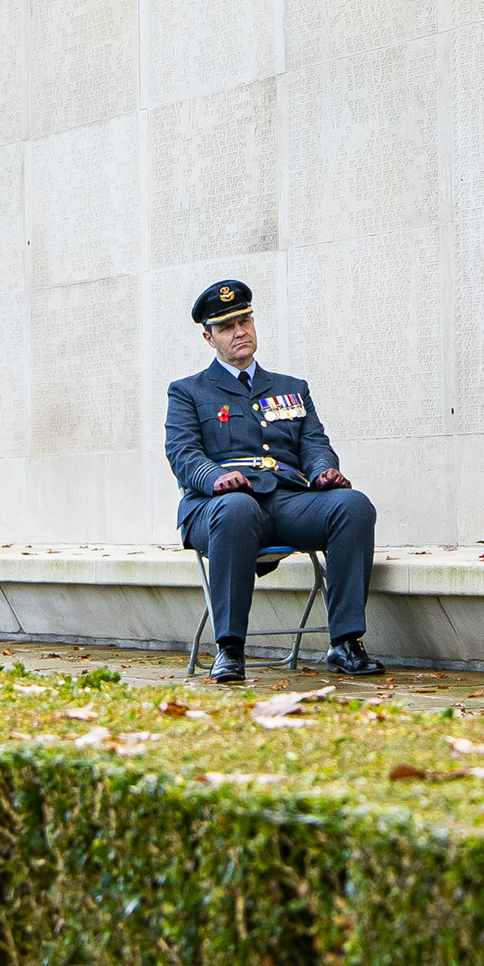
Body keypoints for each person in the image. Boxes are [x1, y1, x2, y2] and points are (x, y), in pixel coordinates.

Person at [166, 279, 382, 683]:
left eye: (245, 320)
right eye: (227, 327)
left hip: (286, 501)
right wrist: (215, 477)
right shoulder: (188, 392)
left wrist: (322, 471)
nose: (240, 331)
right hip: (216, 507)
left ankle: (346, 643)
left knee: (353, 505)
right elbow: (183, 454)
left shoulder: (290, 388)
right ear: (208, 338)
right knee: (237, 508)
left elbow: (315, 444)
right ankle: (229, 649)